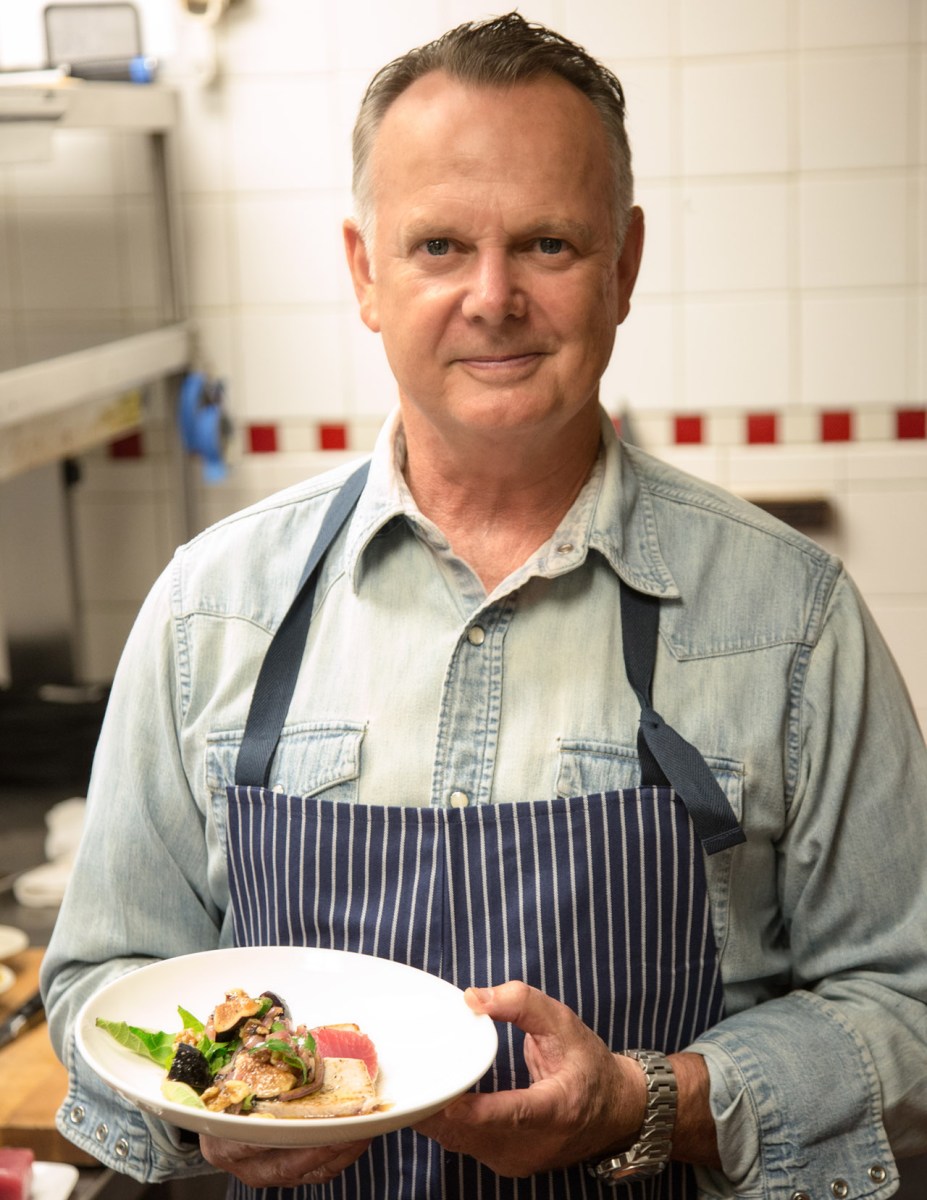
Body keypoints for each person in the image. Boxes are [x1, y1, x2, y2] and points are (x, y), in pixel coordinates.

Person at [42, 12, 927, 1199]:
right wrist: (208, 1108)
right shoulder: (214, 610)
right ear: (366, 271)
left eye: (549, 243)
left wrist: (654, 1104)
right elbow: (105, 978)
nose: (494, 296)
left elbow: (907, 995)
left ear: (624, 265)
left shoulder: (793, 617)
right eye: (440, 245)